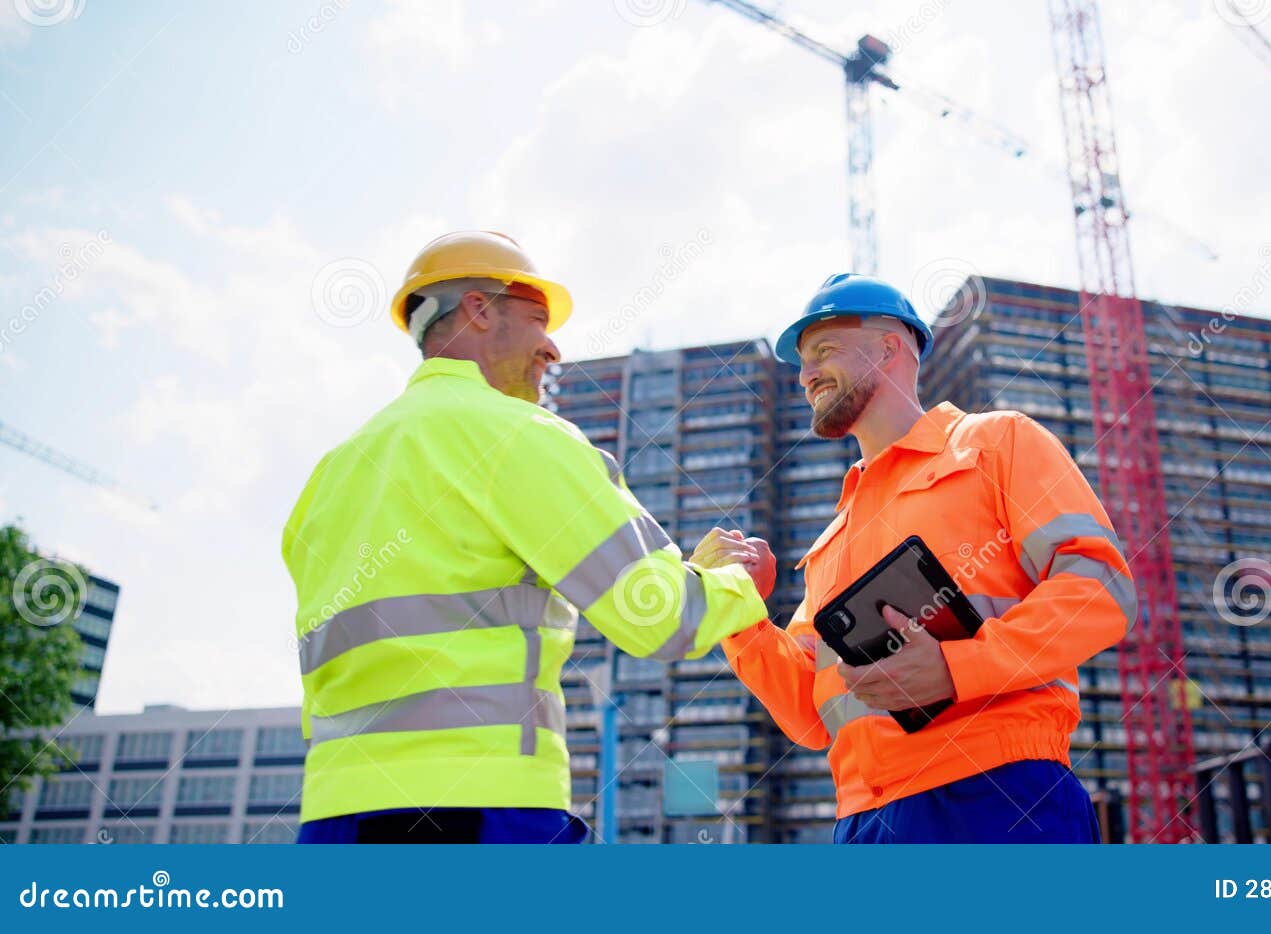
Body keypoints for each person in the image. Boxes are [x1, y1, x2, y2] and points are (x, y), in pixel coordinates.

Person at [282, 230, 774, 843]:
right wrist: (732, 581)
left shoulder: (331, 474)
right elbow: (661, 617)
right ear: (479, 311)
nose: (552, 348)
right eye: (538, 319)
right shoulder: (518, 436)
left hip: (333, 814)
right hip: (479, 810)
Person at [707, 273, 1134, 843]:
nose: (806, 374)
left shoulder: (996, 444)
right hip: (863, 819)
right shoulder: (834, 538)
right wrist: (739, 613)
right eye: (801, 363)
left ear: (889, 346)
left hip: (997, 794)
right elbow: (812, 718)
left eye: (823, 351)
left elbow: (1100, 589)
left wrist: (958, 669)